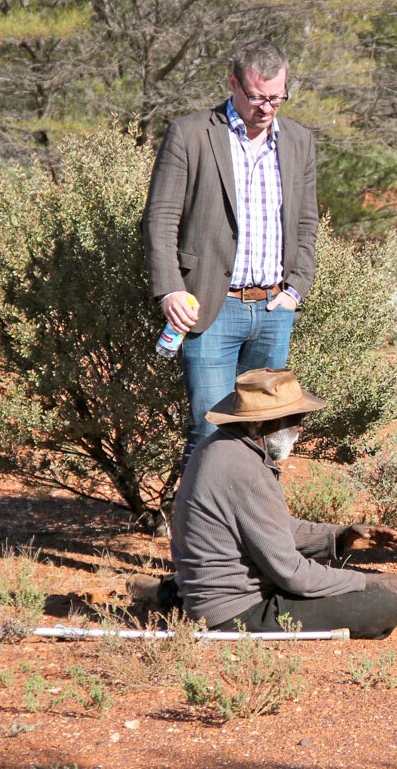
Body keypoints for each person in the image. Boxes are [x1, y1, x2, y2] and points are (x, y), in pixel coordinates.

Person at [141, 38, 319, 472]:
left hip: (275, 308)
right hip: (210, 309)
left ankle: (258, 537)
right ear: (233, 84)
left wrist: (296, 288)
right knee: (210, 432)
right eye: (258, 97)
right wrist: (169, 289)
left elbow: (306, 223)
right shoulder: (191, 133)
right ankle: (199, 538)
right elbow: (159, 219)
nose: (267, 107)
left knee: (265, 435)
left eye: (277, 97)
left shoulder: (298, 140)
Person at [170, 368, 397, 637]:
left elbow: (269, 526)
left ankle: (166, 595)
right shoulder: (245, 470)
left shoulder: (218, 447)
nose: (301, 429)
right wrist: (369, 582)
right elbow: (292, 574)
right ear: (266, 424)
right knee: (381, 607)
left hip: (209, 599)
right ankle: (167, 596)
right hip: (235, 613)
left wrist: (337, 537)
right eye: (296, 419)